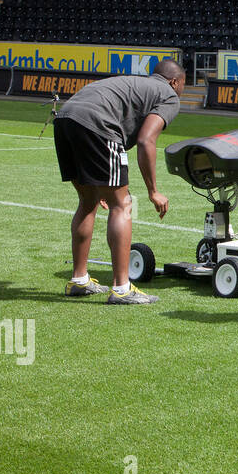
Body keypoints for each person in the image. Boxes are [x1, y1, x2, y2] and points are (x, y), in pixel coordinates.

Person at [53, 59, 185, 304]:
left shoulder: (137, 85)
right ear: (174, 81)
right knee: (122, 205)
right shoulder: (169, 95)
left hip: (65, 119)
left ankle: (79, 280)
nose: (181, 91)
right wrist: (153, 191)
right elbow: (146, 140)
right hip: (97, 124)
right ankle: (122, 288)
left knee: (88, 201)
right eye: (183, 85)